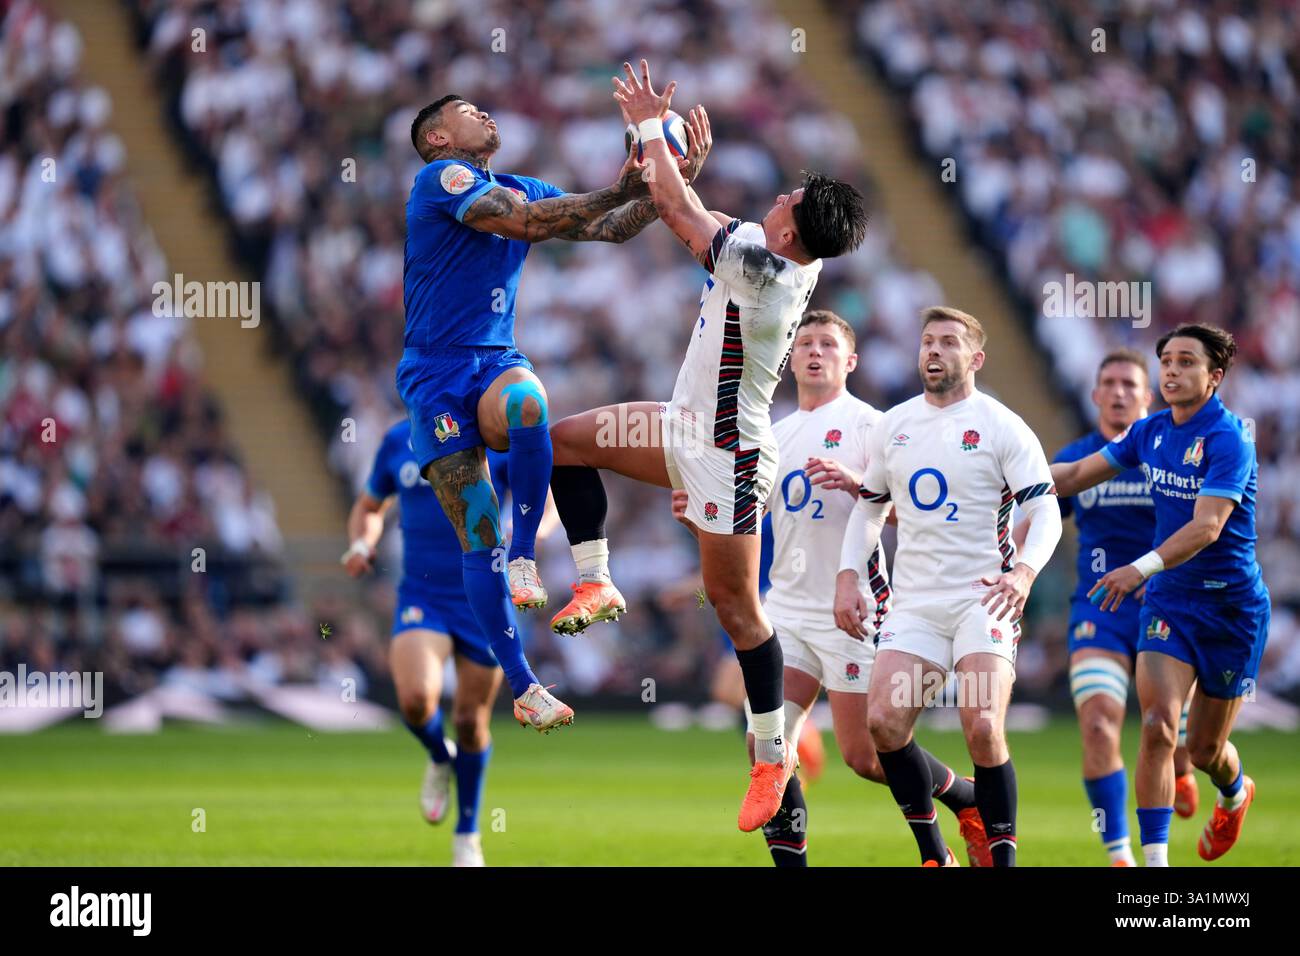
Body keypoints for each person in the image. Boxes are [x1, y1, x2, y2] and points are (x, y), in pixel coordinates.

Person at [546, 61, 868, 832]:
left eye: (789, 196)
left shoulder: (763, 269)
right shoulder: (782, 253)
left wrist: (653, 130)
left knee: (738, 610)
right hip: (680, 425)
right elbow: (686, 210)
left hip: (727, 456)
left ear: (789, 227)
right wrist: (678, 172)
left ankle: (770, 753)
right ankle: (595, 580)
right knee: (562, 442)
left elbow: (680, 211)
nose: (779, 194)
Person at [400, 92, 706, 731]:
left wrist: (668, 187)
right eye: (466, 110)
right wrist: (617, 187)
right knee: (475, 530)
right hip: (435, 376)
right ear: (436, 137)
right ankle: (524, 685)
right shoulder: (440, 179)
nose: (485, 113)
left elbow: (607, 227)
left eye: (486, 106)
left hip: (492, 360)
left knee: (529, 401)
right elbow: (530, 223)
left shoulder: (521, 185)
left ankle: (526, 556)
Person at [677, 309, 991, 867]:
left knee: (867, 758)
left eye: (827, 343)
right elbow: (745, 519)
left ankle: (964, 800)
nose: (814, 351)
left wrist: (859, 486)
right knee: (766, 747)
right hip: (787, 614)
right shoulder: (770, 435)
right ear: (789, 359)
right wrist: (703, 514)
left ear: (851, 361)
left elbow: (919, 512)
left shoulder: (877, 426)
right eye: (804, 344)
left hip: (856, 612)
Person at [836, 307, 1062, 866]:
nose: (933, 351)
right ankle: (935, 853)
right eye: (927, 342)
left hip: (983, 598)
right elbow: (869, 511)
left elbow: (1047, 511)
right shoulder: (894, 425)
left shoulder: (1001, 425)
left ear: (975, 359)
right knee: (884, 724)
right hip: (914, 603)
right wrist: (847, 577)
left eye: (949, 343)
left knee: (983, 726)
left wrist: (1024, 573)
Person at [1049, 324, 1269, 866]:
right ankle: (1151, 870)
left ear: (1214, 377)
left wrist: (1138, 569)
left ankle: (1236, 792)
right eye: (1166, 361)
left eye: (1186, 362)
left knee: (1204, 750)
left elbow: (1207, 528)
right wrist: (999, 482)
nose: (1172, 370)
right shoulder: (1150, 433)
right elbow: (1076, 473)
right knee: (1155, 728)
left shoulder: (1229, 438)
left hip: (1230, 611)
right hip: (1168, 602)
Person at [1016, 349, 1197, 866]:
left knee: (1174, 737)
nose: (1118, 392)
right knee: (1098, 723)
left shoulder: (1171, 454)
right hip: (1098, 611)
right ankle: (1120, 853)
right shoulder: (1078, 458)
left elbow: (1202, 528)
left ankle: (1183, 771)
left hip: (1166, 608)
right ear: (1095, 394)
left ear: (1148, 396)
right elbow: (1039, 518)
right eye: (1109, 383)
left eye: (1129, 384)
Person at [342, 420, 511, 866]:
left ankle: (467, 835)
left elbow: (546, 494)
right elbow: (370, 505)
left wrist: (532, 532)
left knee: (472, 722)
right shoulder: (399, 439)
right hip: (423, 594)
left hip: (484, 600)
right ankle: (440, 755)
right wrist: (362, 542)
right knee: (417, 700)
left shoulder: (495, 435)